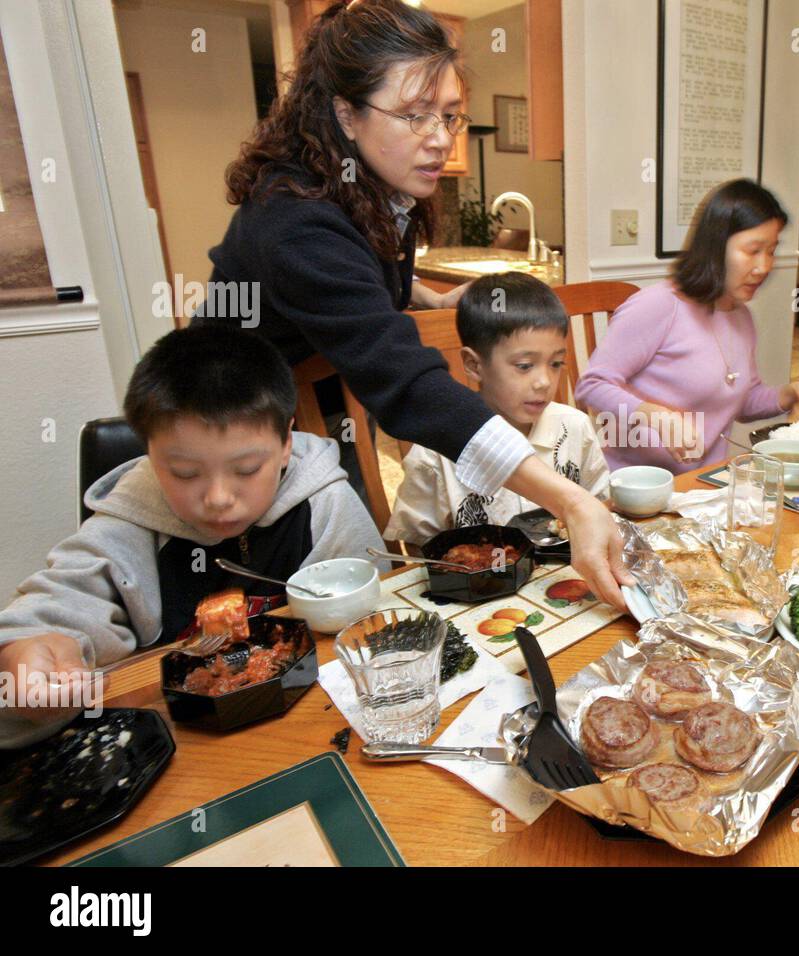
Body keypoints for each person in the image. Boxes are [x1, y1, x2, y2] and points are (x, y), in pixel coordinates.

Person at [192, 0, 628, 606]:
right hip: (237, 434)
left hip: (315, 410)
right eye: (414, 116)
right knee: (274, 603)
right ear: (345, 114)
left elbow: (363, 285)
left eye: (449, 116)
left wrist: (425, 294)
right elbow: (405, 381)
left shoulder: (373, 187)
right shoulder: (293, 221)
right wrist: (570, 497)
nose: (439, 140)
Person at [0, 326, 383, 749]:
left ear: (287, 442)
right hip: (182, 744)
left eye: (247, 469)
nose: (219, 499)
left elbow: (373, 617)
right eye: (185, 473)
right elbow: (56, 609)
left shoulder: (323, 502)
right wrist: (27, 652)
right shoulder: (128, 525)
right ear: (148, 452)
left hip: (314, 729)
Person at [575, 179, 799, 473]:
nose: (764, 266)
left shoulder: (741, 317)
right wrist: (652, 414)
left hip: (704, 483)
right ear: (715, 248)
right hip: (635, 488)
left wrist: (795, 391)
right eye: (753, 250)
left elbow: (742, 402)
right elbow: (591, 385)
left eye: (771, 251)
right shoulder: (659, 306)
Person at [386, 274, 610, 544]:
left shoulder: (575, 427)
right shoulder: (435, 455)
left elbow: (601, 508)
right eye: (525, 366)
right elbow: (413, 547)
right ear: (473, 365)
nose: (544, 382)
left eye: (556, 364)